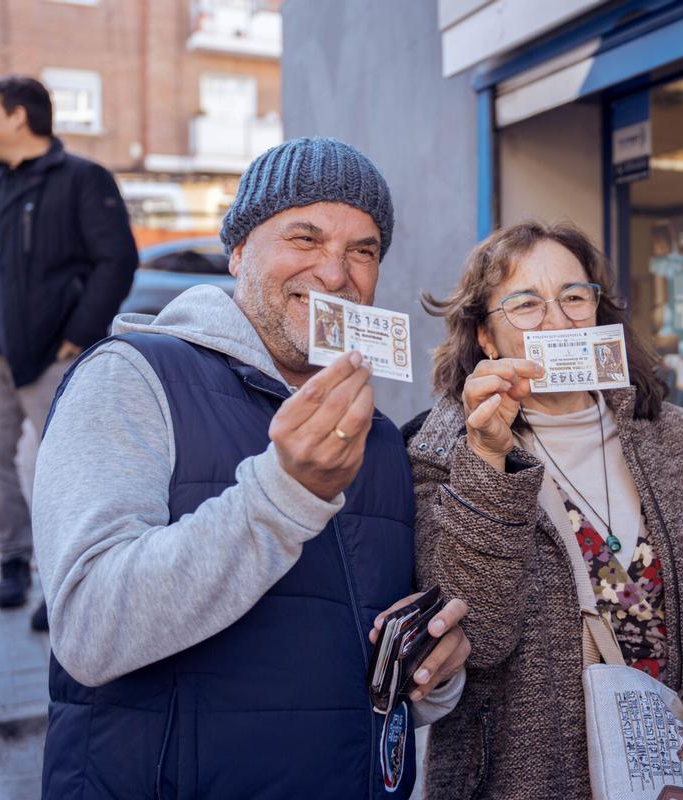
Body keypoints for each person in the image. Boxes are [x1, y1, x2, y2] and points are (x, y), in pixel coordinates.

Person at [31, 137, 468, 799]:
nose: (334, 274)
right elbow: (90, 632)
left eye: (364, 250)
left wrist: (431, 671)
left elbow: (357, 659)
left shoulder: (378, 438)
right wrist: (284, 494)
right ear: (237, 250)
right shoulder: (131, 378)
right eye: (304, 238)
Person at [409, 221, 683, 799]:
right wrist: (489, 459)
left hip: (677, 777)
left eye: (574, 297)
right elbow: (480, 639)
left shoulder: (676, 438)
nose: (557, 321)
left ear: (597, 313)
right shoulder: (442, 456)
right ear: (486, 338)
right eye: (526, 304)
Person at [0, 76, 138, 627]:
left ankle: (64, 576)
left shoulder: (83, 178)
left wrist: (79, 333)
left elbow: (117, 259)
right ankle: (13, 558)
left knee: (68, 468)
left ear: (18, 116)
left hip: (51, 356)